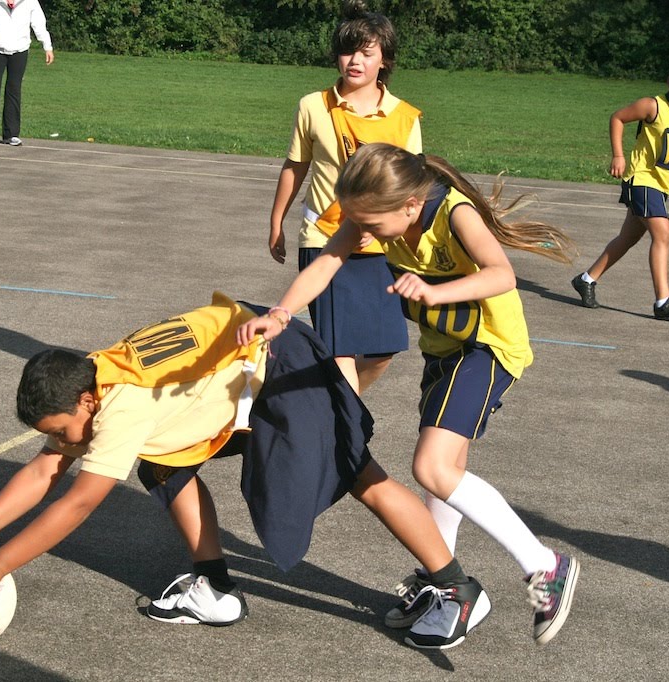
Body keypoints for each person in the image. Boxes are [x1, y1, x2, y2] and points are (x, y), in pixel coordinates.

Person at [0, 293, 491, 650]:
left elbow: (76, 501)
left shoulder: (120, 404)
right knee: (164, 465)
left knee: (362, 478)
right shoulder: (89, 373)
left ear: (87, 403)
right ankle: (214, 587)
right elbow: (45, 468)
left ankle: (456, 587)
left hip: (284, 368)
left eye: (62, 430)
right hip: (244, 372)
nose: (58, 442)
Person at [238, 143, 581, 646]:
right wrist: (281, 313)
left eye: (373, 226)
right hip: (445, 350)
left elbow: (501, 274)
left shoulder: (453, 212)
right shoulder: (375, 214)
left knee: (433, 469)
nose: (366, 234)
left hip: (486, 346)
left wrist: (435, 291)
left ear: (409, 205)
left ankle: (544, 566)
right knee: (447, 474)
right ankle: (445, 586)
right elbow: (326, 263)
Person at [268, 0, 420, 394]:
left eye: (366, 53)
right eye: (347, 51)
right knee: (341, 351)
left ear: (384, 59)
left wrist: (385, 226)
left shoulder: (404, 116)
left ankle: (339, 410)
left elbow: (413, 183)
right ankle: (349, 428)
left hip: (383, 245)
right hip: (325, 237)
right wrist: (276, 222)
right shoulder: (313, 106)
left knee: (385, 348)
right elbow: (295, 166)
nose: (355, 61)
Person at [571, 60, 669, 319]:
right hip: (640, 179)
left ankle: (586, 279)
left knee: (628, 238)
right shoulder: (653, 106)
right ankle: (663, 301)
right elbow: (617, 118)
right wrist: (618, 155)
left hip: (662, 185)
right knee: (663, 234)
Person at [0, 0, 54, 147]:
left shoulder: (30, 2)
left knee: (14, 89)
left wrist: (47, 46)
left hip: (20, 49)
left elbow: (39, 23)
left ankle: (11, 134)